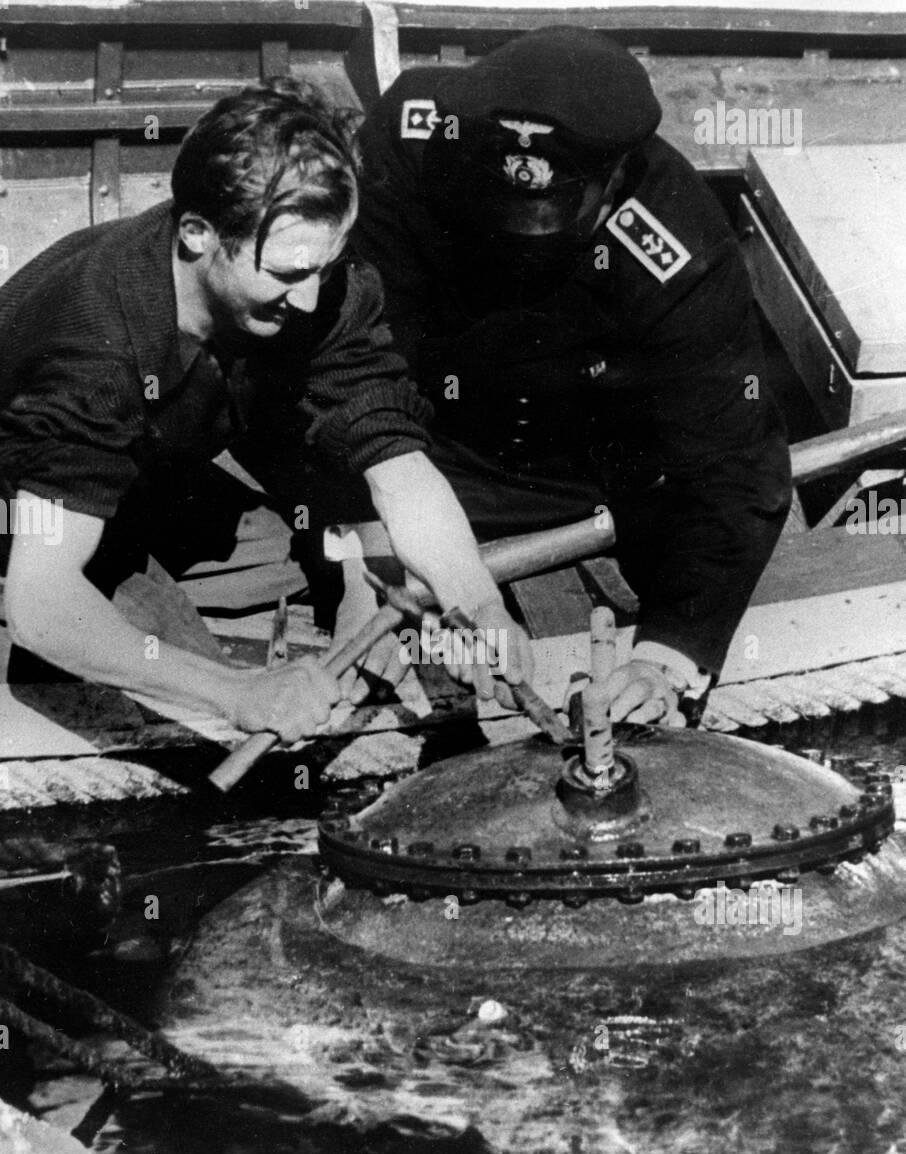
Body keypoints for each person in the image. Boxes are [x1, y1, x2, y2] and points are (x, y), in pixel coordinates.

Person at [0, 79, 531, 745]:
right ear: (197, 233)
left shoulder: (313, 280)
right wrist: (236, 692)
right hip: (22, 526)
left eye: (324, 267)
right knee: (183, 701)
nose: (309, 301)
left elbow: (398, 468)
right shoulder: (94, 345)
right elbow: (42, 601)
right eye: (285, 275)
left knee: (335, 584)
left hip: (142, 482)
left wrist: (479, 606)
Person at [352, 26, 793, 725]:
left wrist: (667, 656)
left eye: (553, 220)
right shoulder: (414, 143)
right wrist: (372, 529)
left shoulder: (680, 247)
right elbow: (354, 350)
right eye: (501, 211)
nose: (519, 242)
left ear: (616, 176)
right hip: (421, 449)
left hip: (585, 471)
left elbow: (732, 464)